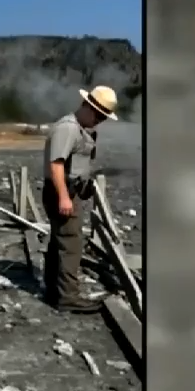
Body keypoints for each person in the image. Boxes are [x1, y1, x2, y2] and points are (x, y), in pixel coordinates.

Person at [41, 85, 118, 313]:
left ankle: (55, 290)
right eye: (99, 115)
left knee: (60, 241)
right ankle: (68, 297)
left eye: (103, 117)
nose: (100, 120)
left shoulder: (83, 130)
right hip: (61, 191)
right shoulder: (68, 129)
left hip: (70, 190)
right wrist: (64, 197)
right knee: (72, 244)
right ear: (87, 107)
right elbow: (56, 164)